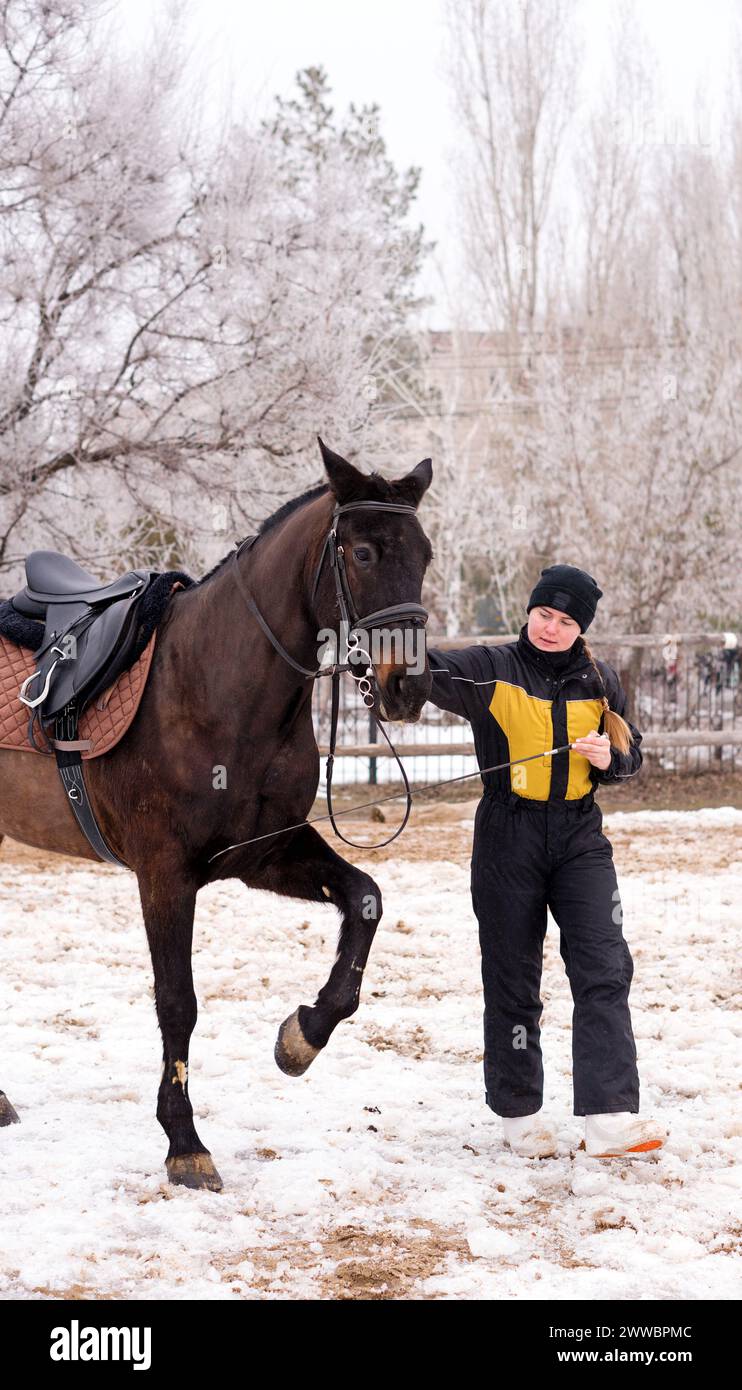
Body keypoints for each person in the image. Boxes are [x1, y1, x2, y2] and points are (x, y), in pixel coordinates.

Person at [426, 564, 669, 1159]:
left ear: (580, 626)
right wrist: (382, 640)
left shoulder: (602, 680)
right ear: (529, 612)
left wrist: (611, 756)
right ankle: (519, 1114)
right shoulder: (490, 667)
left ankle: (609, 1117)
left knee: (604, 966)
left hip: (580, 836)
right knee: (512, 976)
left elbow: (632, 755)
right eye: (544, 615)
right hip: (508, 835)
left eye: (565, 620)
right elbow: (422, 672)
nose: (552, 628)